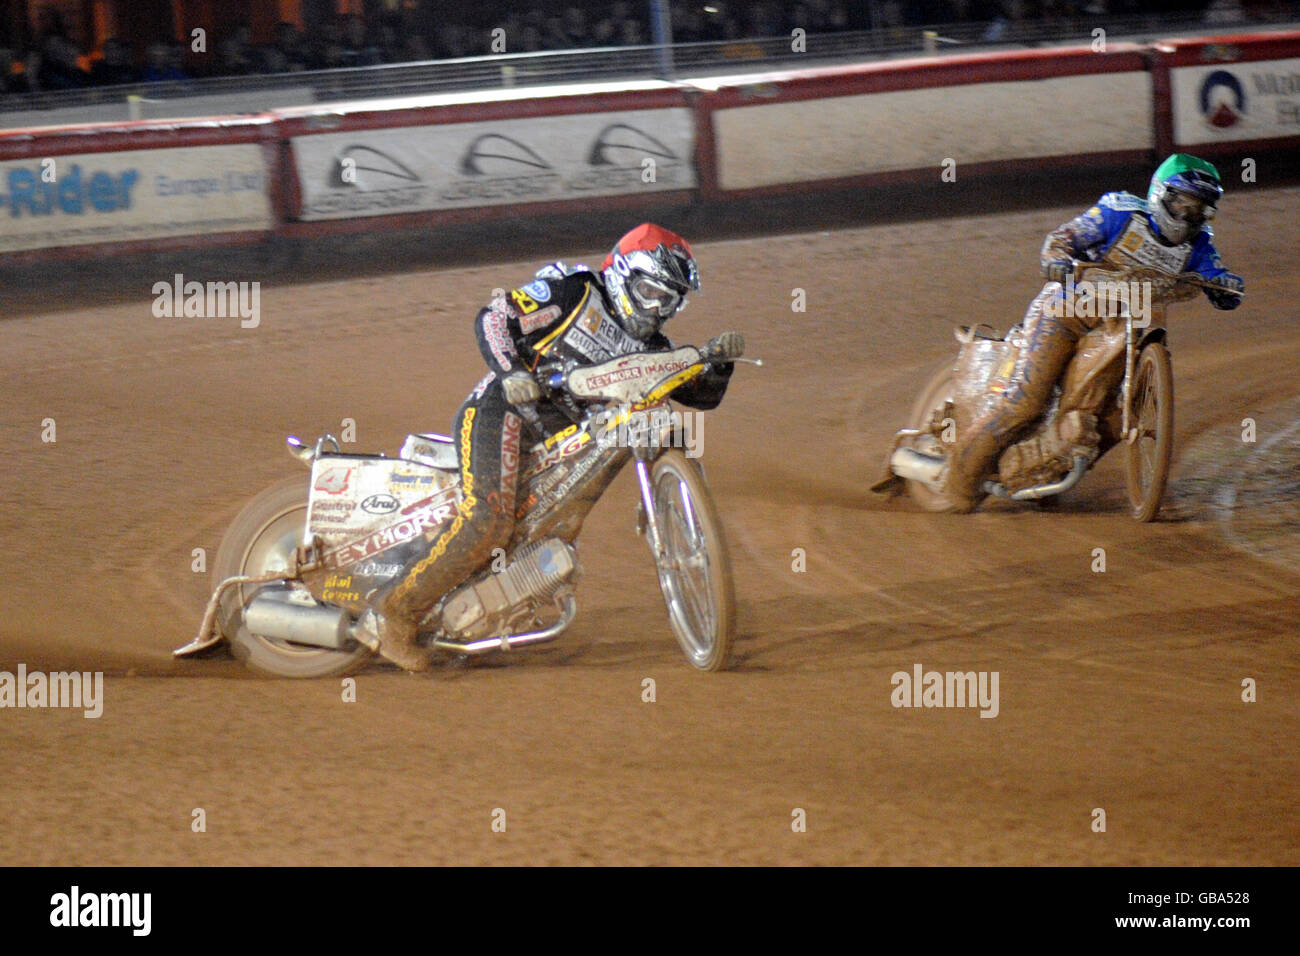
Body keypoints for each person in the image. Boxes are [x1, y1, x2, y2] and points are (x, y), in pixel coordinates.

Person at [362, 224, 745, 670]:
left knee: (542, 534)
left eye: (670, 300)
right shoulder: (574, 294)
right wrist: (512, 372)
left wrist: (718, 366)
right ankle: (393, 615)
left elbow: (703, 396)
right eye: (649, 292)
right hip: (504, 412)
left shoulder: (652, 348)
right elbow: (495, 318)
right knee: (488, 519)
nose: (657, 309)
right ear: (621, 275)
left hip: (559, 446)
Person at [939, 154, 1244, 511]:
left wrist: (1226, 286)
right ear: (1160, 194)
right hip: (1066, 312)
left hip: (1123, 327)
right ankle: (958, 485)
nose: (1188, 216)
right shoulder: (1120, 212)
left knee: (1104, 419)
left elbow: (1221, 277)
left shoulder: (1199, 245)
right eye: (1182, 203)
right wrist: (1058, 258)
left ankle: (1046, 471)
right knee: (1026, 403)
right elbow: (1064, 237)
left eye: (1199, 209)